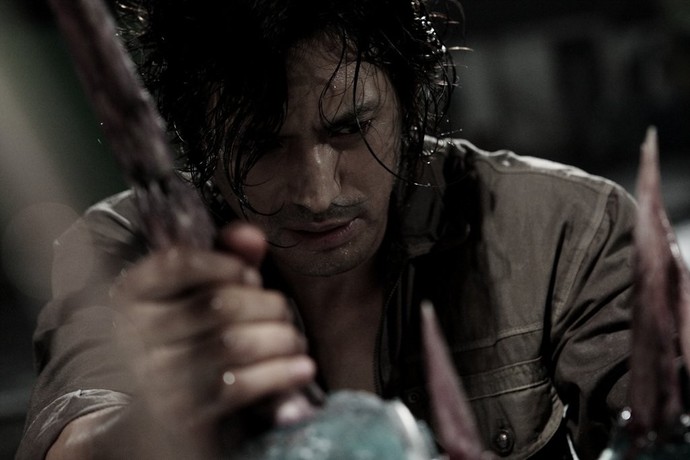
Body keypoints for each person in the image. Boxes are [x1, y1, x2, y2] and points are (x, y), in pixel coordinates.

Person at [17, 0, 635, 458]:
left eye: (349, 129)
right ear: (200, 146)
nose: (317, 194)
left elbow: (657, 413)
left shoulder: (563, 227)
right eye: (260, 145)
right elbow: (72, 436)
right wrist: (153, 422)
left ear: (409, 102)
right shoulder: (127, 248)